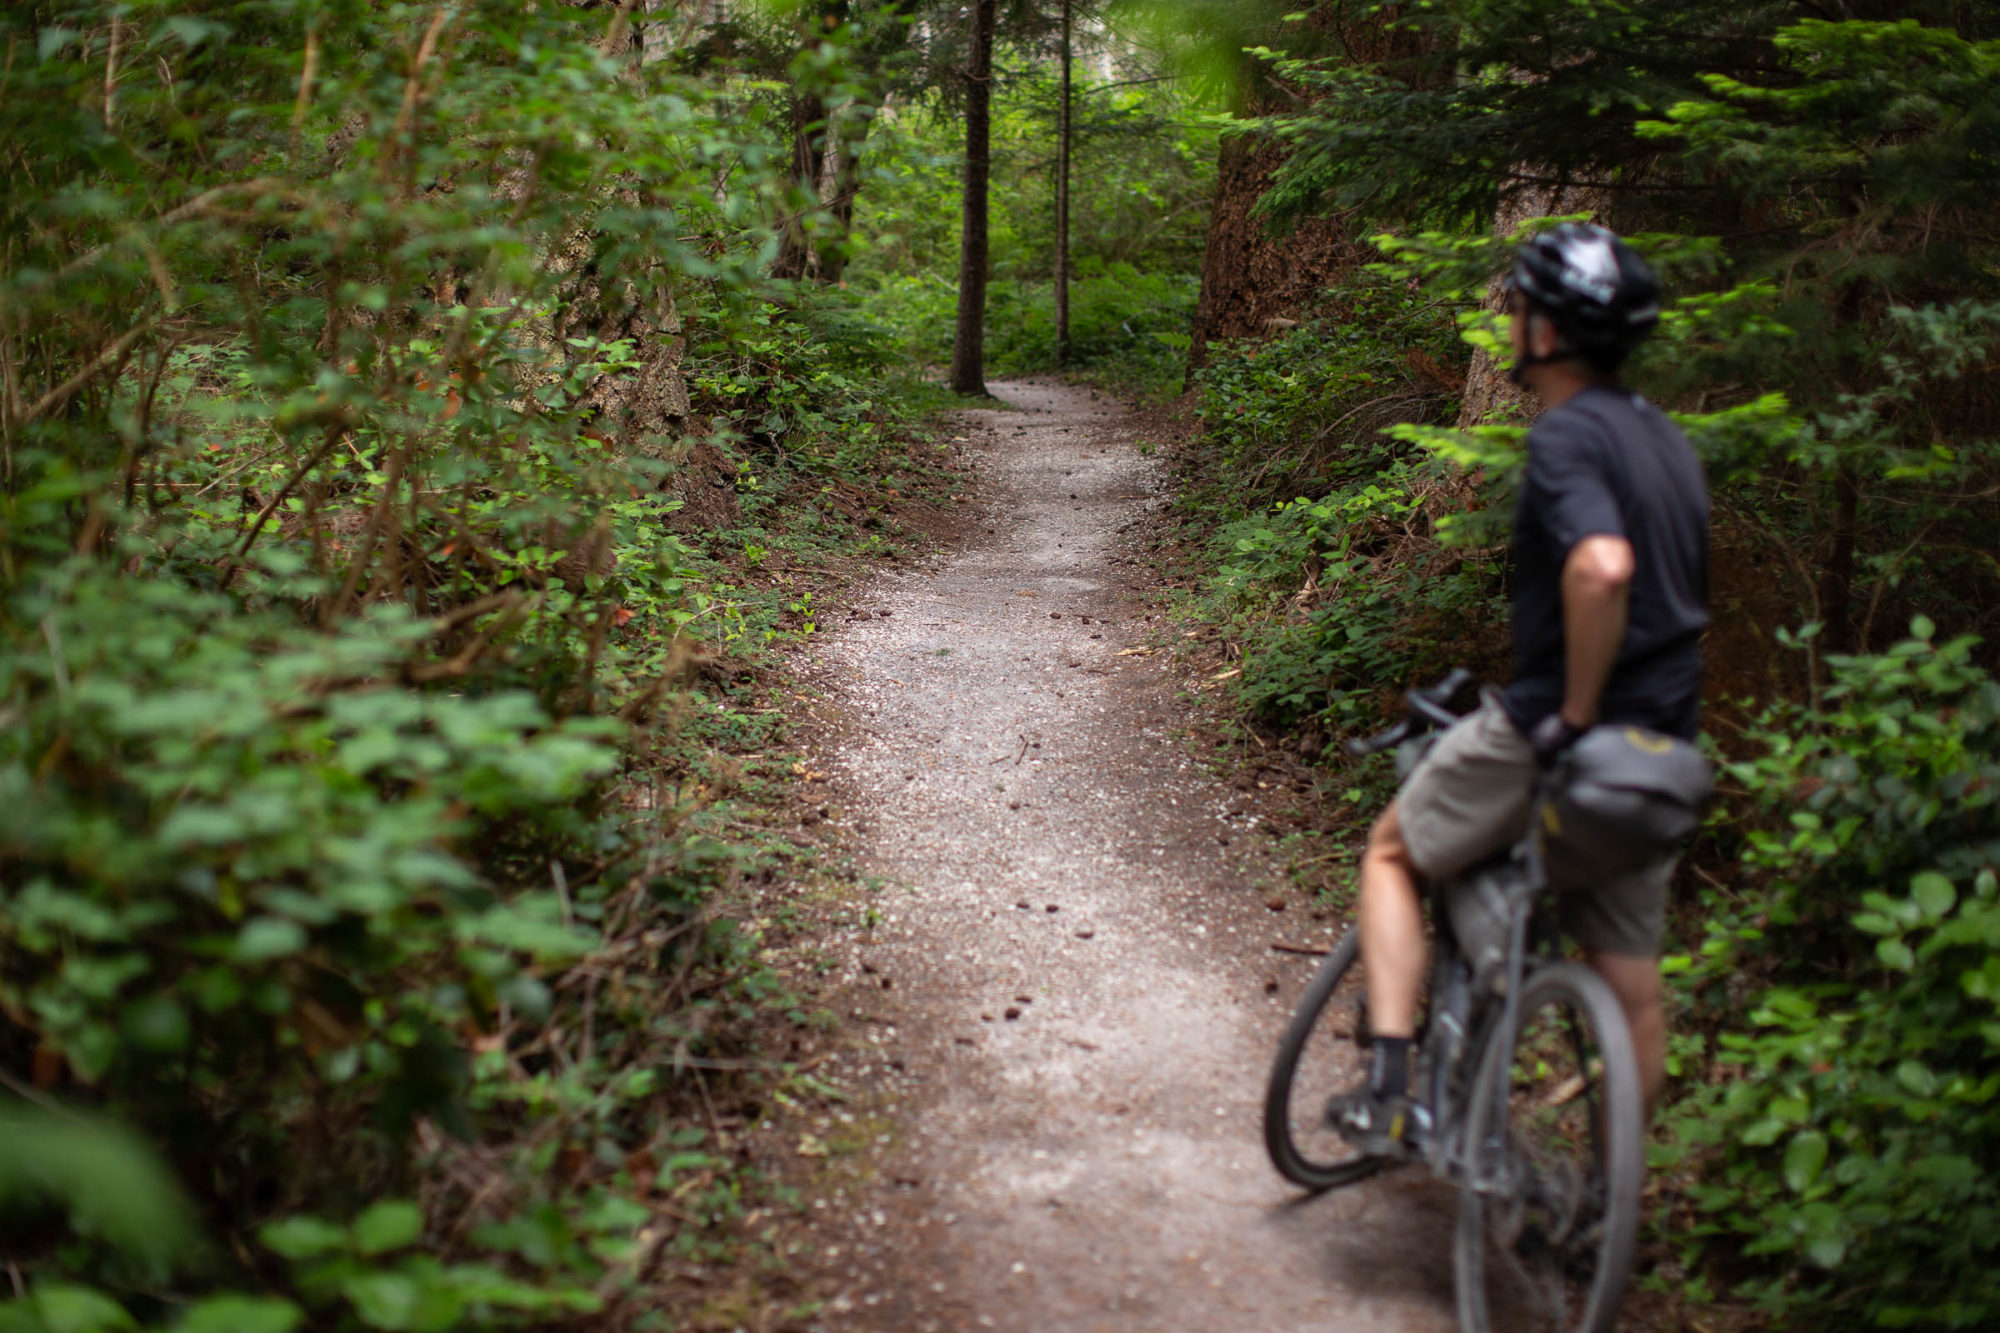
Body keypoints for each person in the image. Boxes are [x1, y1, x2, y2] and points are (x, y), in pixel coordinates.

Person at [1329, 222, 1709, 1153]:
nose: (1511, 320)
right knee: (1632, 990)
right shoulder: (1668, 442)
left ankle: (1387, 1089)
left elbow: (1604, 567)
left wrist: (1573, 713)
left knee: (1390, 854)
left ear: (1545, 331)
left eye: (1521, 308)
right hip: (1664, 751)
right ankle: (1602, 1210)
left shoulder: (1568, 435)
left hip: (1566, 728)